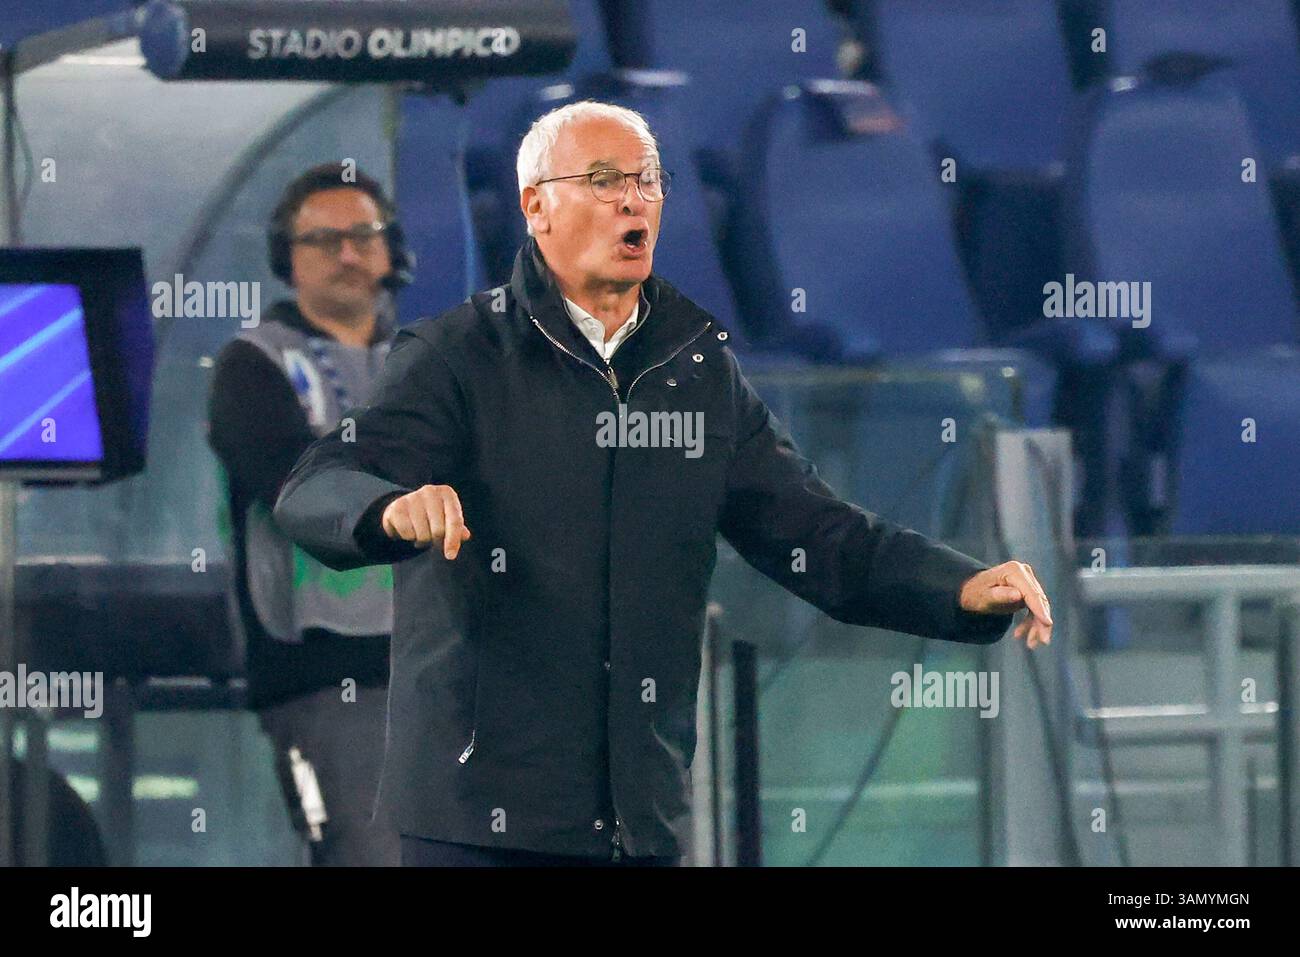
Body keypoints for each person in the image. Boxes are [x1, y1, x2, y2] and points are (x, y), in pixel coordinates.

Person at [273, 102, 1054, 867]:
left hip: (636, 818)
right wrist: (388, 509)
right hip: (480, 821)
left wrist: (957, 585)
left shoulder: (697, 370)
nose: (631, 198)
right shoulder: (457, 355)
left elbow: (818, 536)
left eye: (647, 180)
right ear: (537, 207)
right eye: (605, 178)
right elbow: (317, 484)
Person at [207, 162, 410, 866]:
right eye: (324, 240)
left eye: (362, 235)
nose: (348, 254)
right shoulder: (253, 364)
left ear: (391, 252)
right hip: (324, 676)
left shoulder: (428, 361)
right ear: (286, 260)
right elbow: (301, 488)